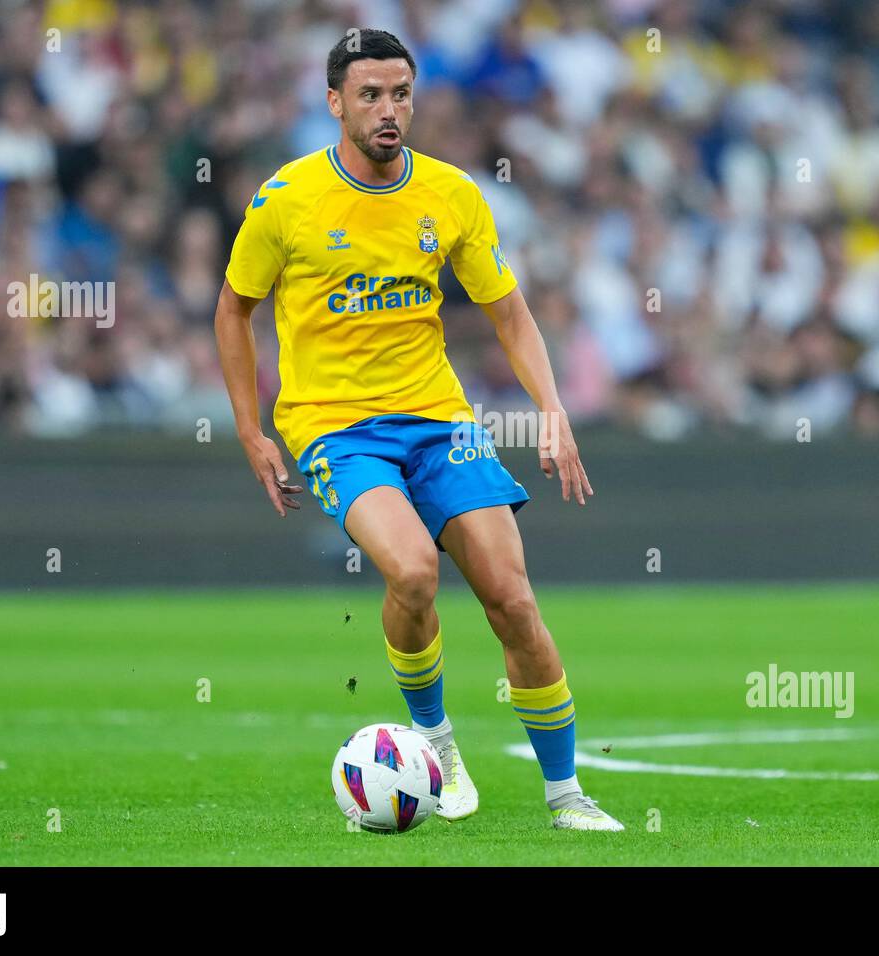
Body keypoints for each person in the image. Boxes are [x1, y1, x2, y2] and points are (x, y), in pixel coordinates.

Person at [213, 29, 622, 831]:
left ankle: (567, 795)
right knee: (412, 574)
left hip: (439, 420)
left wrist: (552, 409)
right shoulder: (285, 201)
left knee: (510, 596)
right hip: (336, 428)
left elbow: (507, 309)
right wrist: (250, 430)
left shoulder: (451, 193)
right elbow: (234, 309)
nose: (388, 109)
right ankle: (436, 745)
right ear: (335, 103)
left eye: (400, 92)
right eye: (370, 95)